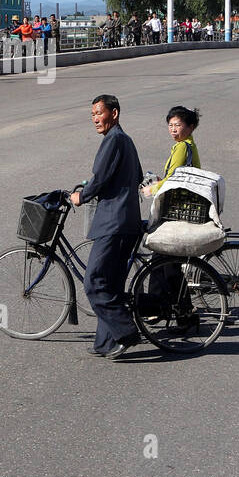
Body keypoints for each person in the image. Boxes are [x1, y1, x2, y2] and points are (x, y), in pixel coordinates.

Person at [69, 94, 144, 359]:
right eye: (92, 115)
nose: (95, 119)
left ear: (114, 113)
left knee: (94, 282)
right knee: (110, 284)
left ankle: (125, 331)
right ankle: (105, 342)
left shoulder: (114, 140)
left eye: (99, 113)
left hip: (115, 222)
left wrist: (82, 195)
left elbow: (100, 178)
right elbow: (136, 176)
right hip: (126, 220)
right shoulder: (126, 140)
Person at [141, 106, 200, 197]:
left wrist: (151, 190)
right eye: (170, 125)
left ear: (191, 127)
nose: (173, 129)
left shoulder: (182, 146)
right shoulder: (189, 144)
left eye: (177, 125)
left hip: (180, 202)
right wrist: (160, 181)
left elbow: (172, 178)